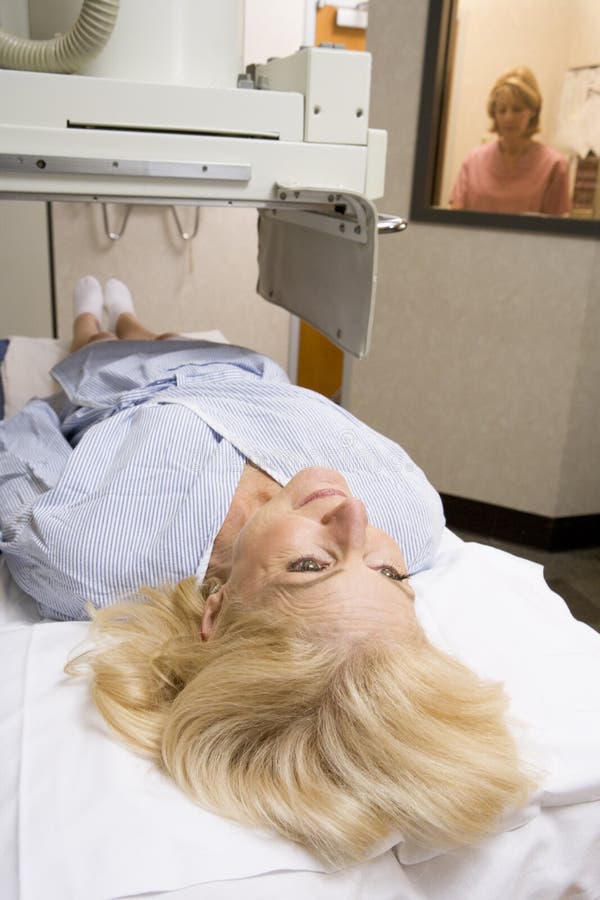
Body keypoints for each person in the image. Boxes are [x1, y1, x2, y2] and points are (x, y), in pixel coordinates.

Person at [0, 277, 536, 866]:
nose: (355, 516)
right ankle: (130, 316)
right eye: (389, 575)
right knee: (156, 334)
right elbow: (313, 408)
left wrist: (56, 397)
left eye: (310, 565)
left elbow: (21, 446)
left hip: (117, 384)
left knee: (98, 343)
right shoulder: (411, 511)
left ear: (217, 610)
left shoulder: (85, 555)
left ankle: (92, 320)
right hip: (244, 371)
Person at [450, 65, 571, 215]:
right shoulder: (474, 161)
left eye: (517, 109)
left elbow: (555, 225)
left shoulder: (554, 165)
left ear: (533, 111)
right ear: (494, 113)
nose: (508, 118)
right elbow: (454, 218)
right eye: (502, 110)